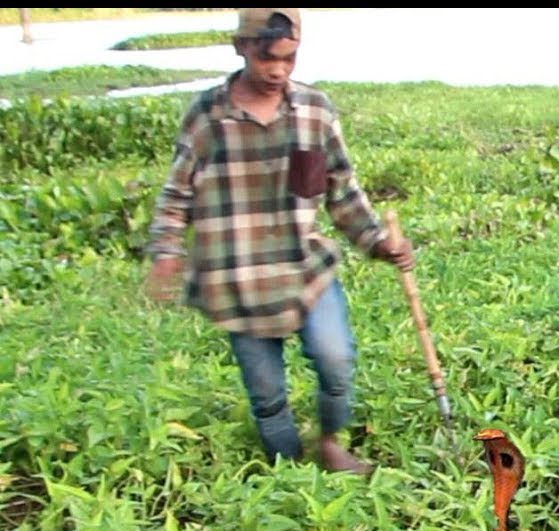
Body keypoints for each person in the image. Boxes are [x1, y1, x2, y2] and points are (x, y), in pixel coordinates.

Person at [144, 8, 415, 475]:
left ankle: (331, 444)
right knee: (267, 394)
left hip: (302, 268)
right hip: (237, 278)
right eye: (268, 58)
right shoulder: (207, 116)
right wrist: (167, 253)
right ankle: (288, 468)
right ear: (241, 47)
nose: (278, 71)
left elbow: (341, 191)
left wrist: (377, 241)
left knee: (336, 359)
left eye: (289, 59)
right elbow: (176, 194)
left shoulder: (313, 110)